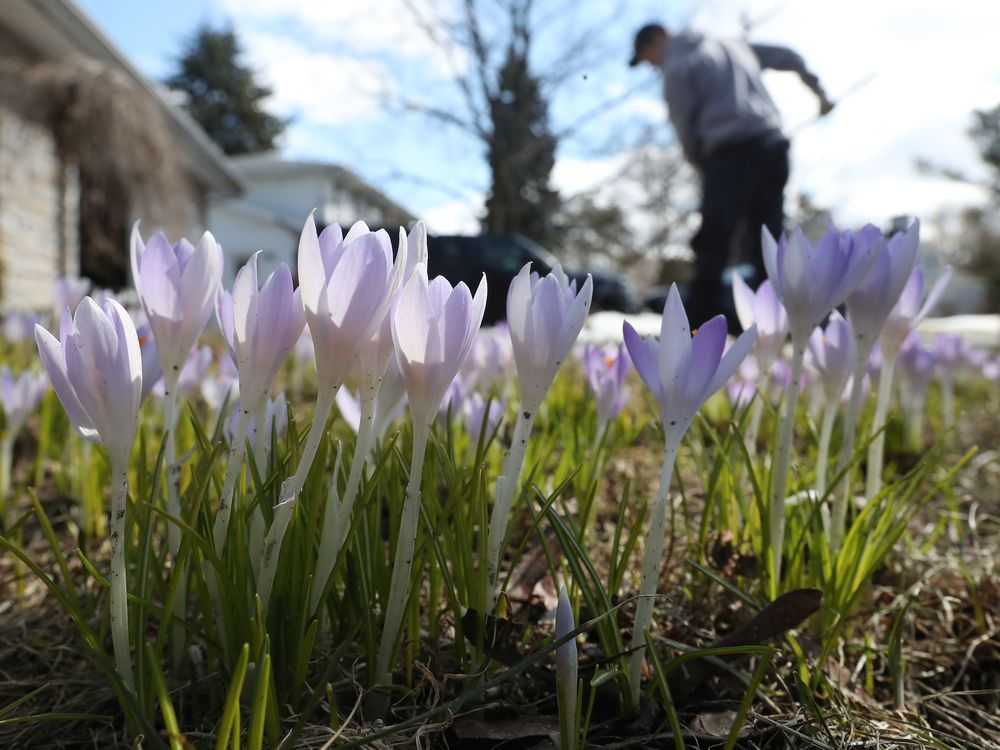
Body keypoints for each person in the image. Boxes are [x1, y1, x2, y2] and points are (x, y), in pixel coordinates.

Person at [630, 23, 834, 327]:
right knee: (769, 241)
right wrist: (820, 94)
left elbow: (686, 131)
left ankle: (698, 328)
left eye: (648, 58)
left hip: (728, 153)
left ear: (659, 37)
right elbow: (788, 56)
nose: (652, 66)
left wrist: (704, 170)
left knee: (714, 240)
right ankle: (782, 322)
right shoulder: (736, 45)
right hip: (771, 144)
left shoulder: (677, 68)